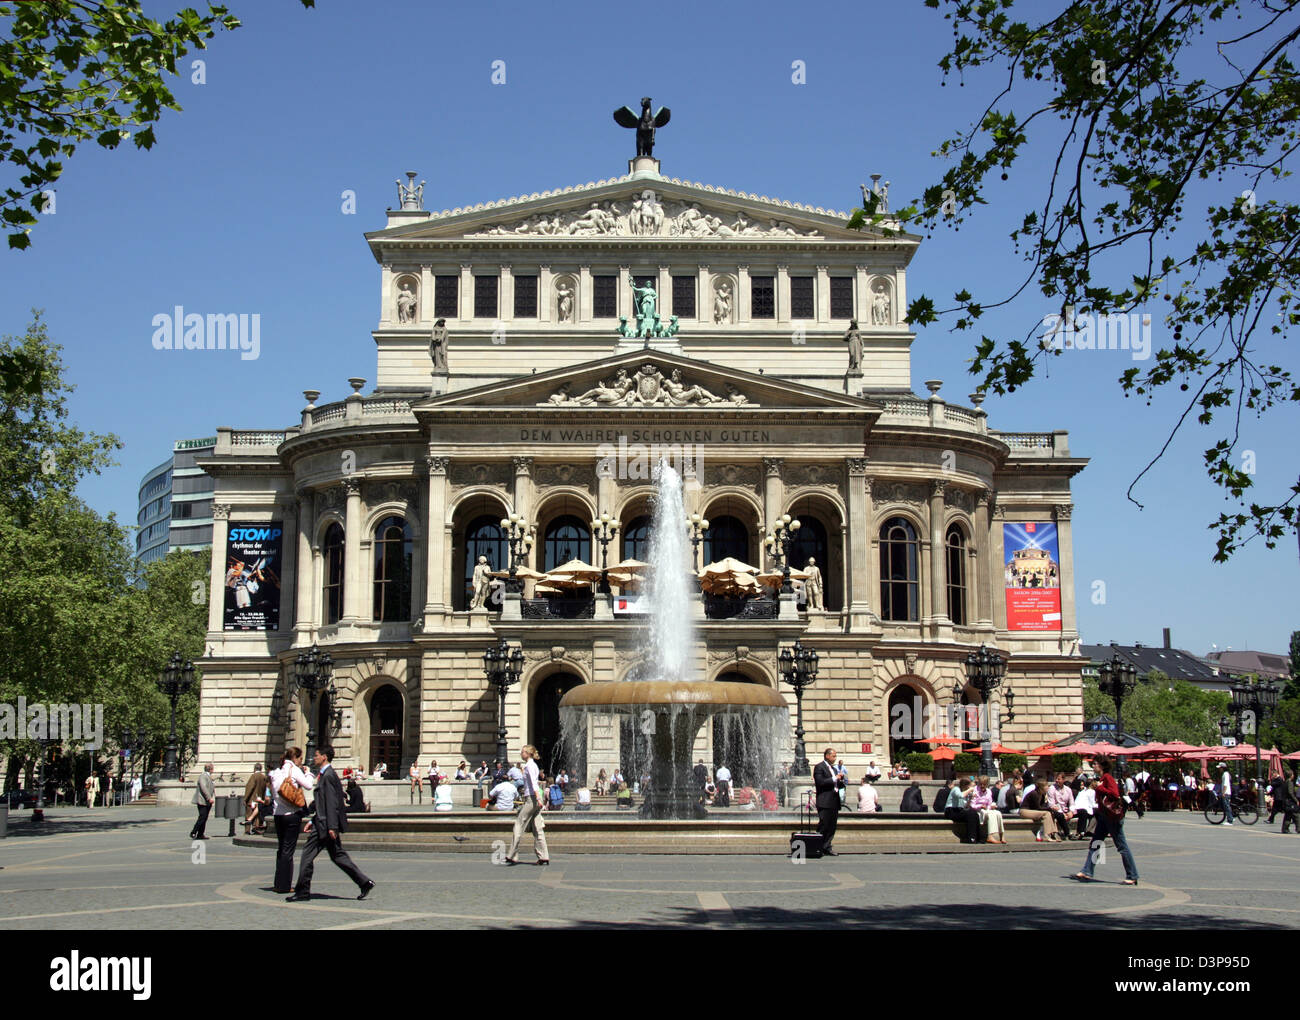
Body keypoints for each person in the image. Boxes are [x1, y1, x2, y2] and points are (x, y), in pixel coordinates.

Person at [288, 746, 375, 902]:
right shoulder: (326, 774)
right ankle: (364, 882)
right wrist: (313, 820)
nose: (313, 758)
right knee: (338, 856)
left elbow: (332, 803)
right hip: (323, 822)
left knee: (307, 857)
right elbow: (323, 803)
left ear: (324, 757)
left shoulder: (328, 775)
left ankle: (302, 891)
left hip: (324, 825)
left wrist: (332, 827)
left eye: (316, 755)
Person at [1075, 757, 1139, 886]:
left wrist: (1100, 788)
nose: (1093, 766)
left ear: (1102, 766)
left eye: (1095, 764)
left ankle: (1132, 875)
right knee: (1096, 843)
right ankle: (1087, 871)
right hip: (1104, 817)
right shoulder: (1102, 779)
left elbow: (1114, 795)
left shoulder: (1108, 778)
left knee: (1122, 846)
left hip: (1112, 818)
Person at [269, 748, 314, 893]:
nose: (301, 762)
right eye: (300, 759)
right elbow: (308, 785)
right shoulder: (294, 770)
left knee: (281, 849)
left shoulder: (277, 771)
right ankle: (284, 885)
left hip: (277, 814)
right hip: (291, 814)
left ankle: (278, 882)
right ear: (295, 757)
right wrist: (308, 773)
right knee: (288, 850)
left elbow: (275, 793)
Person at [504, 744, 550, 866]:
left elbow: (534, 784)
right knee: (537, 827)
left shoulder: (529, 766)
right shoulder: (534, 765)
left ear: (528, 754)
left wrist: (539, 799)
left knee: (519, 824)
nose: (521, 753)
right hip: (535, 798)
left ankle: (512, 854)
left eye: (523, 752)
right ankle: (544, 856)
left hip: (532, 798)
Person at [813, 748, 845, 855]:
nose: (835, 758)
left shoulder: (834, 769)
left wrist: (840, 781)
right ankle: (818, 847)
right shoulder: (819, 767)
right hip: (824, 800)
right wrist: (834, 779)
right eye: (833, 756)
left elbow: (836, 784)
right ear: (827, 756)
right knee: (824, 824)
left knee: (832, 826)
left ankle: (827, 846)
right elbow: (820, 782)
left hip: (834, 801)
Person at [945, 777, 983, 844]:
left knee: (974, 814)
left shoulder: (966, 793)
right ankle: (971, 838)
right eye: (971, 786)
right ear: (966, 785)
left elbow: (965, 806)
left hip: (959, 810)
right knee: (971, 814)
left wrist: (970, 799)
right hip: (951, 811)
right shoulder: (956, 789)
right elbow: (960, 796)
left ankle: (978, 838)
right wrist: (970, 790)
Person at [970, 775, 1005, 844]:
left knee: (998, 813)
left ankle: (1001, 835)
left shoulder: (989, 791)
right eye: (981, 784)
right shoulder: (974, 790)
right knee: (989, 814)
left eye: (984, 784)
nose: (982, 786)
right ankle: (990, 836)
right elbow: (972, 805)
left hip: (987, 809)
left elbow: (989, 803)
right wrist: (980, 806)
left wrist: (991, 806)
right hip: (978, 810)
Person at [1047, 773, 1077, 839]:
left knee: (1083, 812)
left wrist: (1071, 812)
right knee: (1060, 815)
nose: (1057, 780)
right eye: (1056, 779)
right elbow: (1052, 804)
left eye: (1059, 779)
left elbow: (1072, 802)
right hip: (1056, 809)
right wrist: (1063, 813)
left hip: (1066, 809)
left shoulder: (1068, 789)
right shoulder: (1051, 789)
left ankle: (1081, 832)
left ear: (1063, 780)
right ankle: (1068, 833)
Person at [190, 764, 215, 840]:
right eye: (213, 768)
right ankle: (194, 832)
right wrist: (209, 798)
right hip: (202, 800)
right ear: (210, 769)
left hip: (207, 801)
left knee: (204, 817)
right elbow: (203, 787)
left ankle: (200, 834)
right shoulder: (203, 776)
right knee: (202, 817)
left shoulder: (208, 776)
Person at [244, 763, 270, 835]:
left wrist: (245, 799)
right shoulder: (264, 777)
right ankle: (256, 828)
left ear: (254, 768)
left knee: (249, 814)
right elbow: (266, 789)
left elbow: (250, 788)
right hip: (259, 799)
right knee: (257, 815)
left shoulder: (253, 776)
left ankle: (247, 830)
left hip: (251, 799)